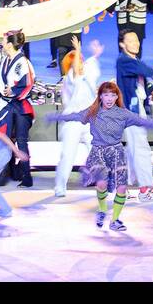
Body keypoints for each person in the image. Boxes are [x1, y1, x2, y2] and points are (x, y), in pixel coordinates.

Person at [44, 81, 153, 232]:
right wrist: (54, 117)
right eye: (106, 95)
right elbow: (74, 116)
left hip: (117, 153)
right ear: (101, 96)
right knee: (102, 184)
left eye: (112, 95)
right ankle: (102, 210)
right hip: (98, 152)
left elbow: (143, 121)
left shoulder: (123, 114)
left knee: (121, 188)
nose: (109, 98)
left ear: (117, 97)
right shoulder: (93, 112)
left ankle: (115, 220)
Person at [116, 29, 153, 202]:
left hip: (137, 110)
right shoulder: (124, 61)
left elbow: (141, 81)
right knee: (141, 150)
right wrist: (152, 72)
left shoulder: (133, 60)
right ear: (122, 44)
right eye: (131, 41)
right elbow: (146, 71)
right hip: (131, 112)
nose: (136, 43)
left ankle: (123, 189)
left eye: (137, 40)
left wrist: (151, 90)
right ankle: (145, 191)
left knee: (132, 151)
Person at [54, 37, 101, 197]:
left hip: (88, 122)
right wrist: (78, 49)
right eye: (78, 61)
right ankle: (60, 186)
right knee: (68, 156)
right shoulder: (70, 78)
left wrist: (95, 55)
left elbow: (90, 69)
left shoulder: (85, 77)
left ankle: (92, 176)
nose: (81, 63)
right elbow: (76, 71)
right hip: (72, 123)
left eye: (81, 60)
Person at [0, 29, 35, 187]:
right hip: (7, 105)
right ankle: (5, 173)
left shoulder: (22, 61)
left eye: (4, 41)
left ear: (10, 44)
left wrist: (14, 91)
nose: (2, 43)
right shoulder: (6, 60)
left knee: (21, 142)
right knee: (5, 140)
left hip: (20, 106)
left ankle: (26, 177)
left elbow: (28, 83)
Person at [45, 0, 89, 71]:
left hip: (75, 25)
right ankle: (64, 76)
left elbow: (86, 4)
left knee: (74, 51)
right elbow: (49, 4)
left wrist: (86, 23)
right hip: (62, 25)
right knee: (61, 51)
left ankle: (75, 74)